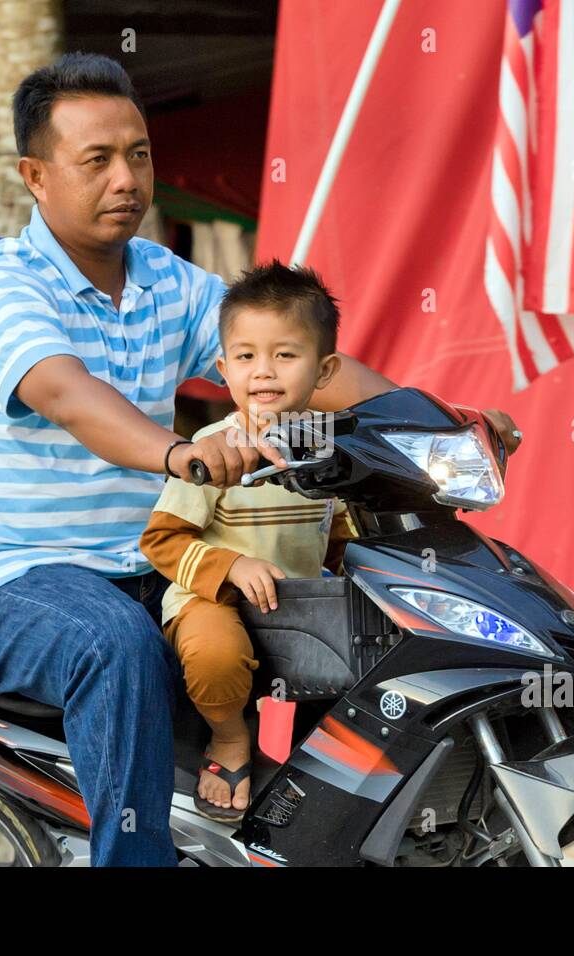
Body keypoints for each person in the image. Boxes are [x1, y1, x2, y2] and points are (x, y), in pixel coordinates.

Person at [0, 53, 521, 866]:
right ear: (34, 175)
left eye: (137, 154)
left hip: (149, 567)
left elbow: (293, 360)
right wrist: (183, 454)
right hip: (12, 581)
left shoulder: (163, 280)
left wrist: (434, 428)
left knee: (337, 617)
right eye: (95, 161)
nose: (126, 179)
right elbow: (66, 394)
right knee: (115, 641)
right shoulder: (8, 284)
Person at [139, 261, 357, 821]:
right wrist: (232, 565)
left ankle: (320, 775)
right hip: (212, 598)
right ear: (222, 368)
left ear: (325, 368)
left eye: (285, 355)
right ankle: (230, 738)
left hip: (296, 604)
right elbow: (161, 541)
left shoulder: (327, 450)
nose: (263, 372)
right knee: (215, 653)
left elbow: (335, 531)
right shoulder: (216, 446)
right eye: (245, 356)